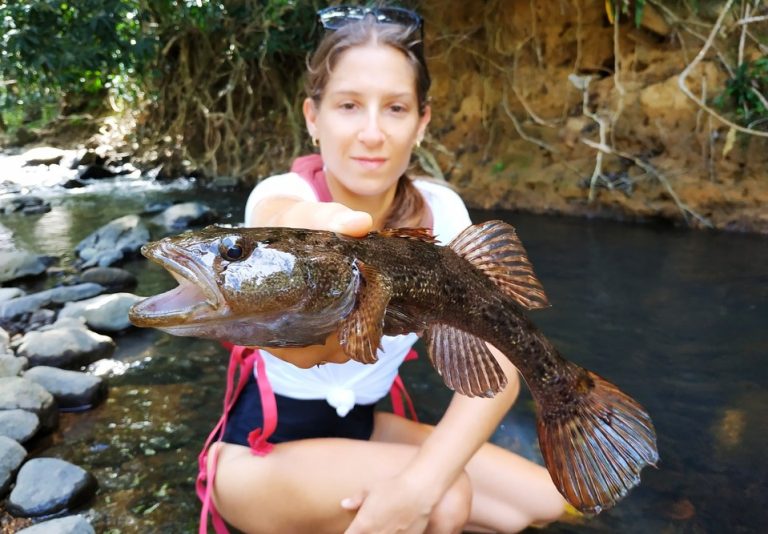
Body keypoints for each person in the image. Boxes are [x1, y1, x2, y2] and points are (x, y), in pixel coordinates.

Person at [203, 5, 569, 533]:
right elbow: (283, 222)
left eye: (395, 109)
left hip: (364, 424)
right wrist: (330, 226)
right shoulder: (279, 200)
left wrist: (415, 487)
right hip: (261, 446)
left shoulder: (442, 214)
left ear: (421, 122)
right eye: (349, 105)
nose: (372, 133)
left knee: (537, 504)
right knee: (448, 501)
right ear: (313, 117)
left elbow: (501, 359)